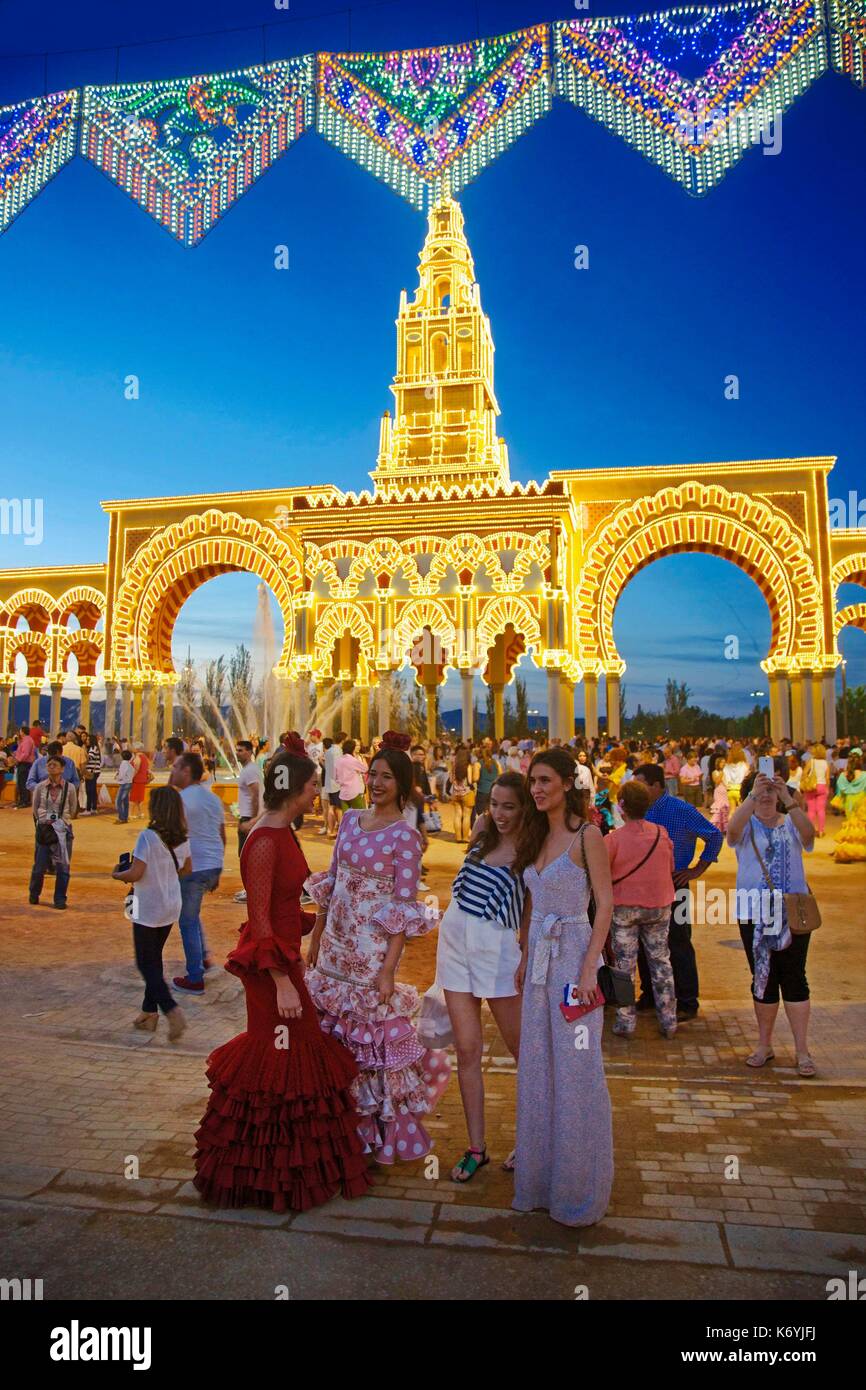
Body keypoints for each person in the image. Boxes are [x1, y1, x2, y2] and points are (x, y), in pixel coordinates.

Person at [194, 739, 371, 1212]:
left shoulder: (282, 832)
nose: (319, 791)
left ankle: (275, 1169)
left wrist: (320, 923)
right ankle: (272, 1173)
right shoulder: (265, 840)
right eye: (314, 784)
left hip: (284, 959)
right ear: (294, 788)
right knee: (282, 1059)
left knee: (288, 1061)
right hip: (270, 969)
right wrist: (281, 979)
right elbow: (261, 919)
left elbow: (284, 907)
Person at [304, 731, 451, 1163]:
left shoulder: (405, 837)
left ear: (402, 786)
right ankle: (331, 1127)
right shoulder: (350, 821)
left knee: (366, 1047)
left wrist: (388, 970)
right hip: (333, 948)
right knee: (330, 1033)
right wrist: (316, 933)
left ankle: (367, 1135)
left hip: (370, 956)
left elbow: (404, 912)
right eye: (376, 775)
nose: (379, 784)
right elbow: (331, 883)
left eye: (388, 777)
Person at [510, 747, 613, 1227]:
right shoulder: (534, 834)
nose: (537, 789)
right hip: (538, 971)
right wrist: (525, 955)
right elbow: (530, 906)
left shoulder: (588, 835)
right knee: (538, 1068)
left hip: (574, 960)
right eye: (533, 781)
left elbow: (606, 908)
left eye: (546, 780)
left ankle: (576, 1189)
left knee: (576, 1072)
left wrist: (590, 969)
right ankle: (540, 1183)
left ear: (568, 783)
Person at [436, 772, 528, 1181]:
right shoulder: (482, 836)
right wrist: (481, 829)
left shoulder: (532, 851)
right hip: (454, 951)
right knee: (467, 1052)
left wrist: (527, 955)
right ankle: (477, 1147)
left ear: (525, 807)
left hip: (501, 955)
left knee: (523, 1053)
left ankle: (530, 1141)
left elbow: (531, 913)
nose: (500, 813)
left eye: (509, 805)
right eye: (495, 804)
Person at [726, 769, 817, 1077]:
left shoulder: (791, 821)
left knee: (795, 977)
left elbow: (809, 836)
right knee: (762, 978)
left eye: (770, 789)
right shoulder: (747, 825)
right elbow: (731, 832)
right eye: (758, 789)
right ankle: (764, 1044)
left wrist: (791, 801)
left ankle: (802, 1049)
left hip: (793, 911)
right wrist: (753, 795)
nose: (766, 795)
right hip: (754, 913)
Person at [632, 762, 723, 1021]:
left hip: (676, 883)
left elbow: (714, 836)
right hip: (643, 887)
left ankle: (687, 1001)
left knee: (679, 942)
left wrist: (697, 869)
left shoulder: (681, 809)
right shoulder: (637, 810)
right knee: (643, 941)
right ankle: (649, 994)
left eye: (641, 784)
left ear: (657, 785)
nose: (636, 789)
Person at [112, 786, 192, 1041]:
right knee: (153, 958)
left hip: (148, 906)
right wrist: (165, 874)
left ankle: (171, 1009)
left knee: (145, 962)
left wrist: (117, 874)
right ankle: (149, 1013)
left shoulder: (147, 837)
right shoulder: (182, 838)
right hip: (170, 905)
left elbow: (135, 873)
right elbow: (186, 869)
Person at [606, 779, 676, 1038]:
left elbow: (602, 875)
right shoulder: (661, 833)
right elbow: (669, 867)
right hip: (659, 905)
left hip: (624, 907)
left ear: (622, 807)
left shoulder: (612, 840)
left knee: (624, 965)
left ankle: (626, 1021)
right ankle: (669, 1019)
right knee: (661, 962)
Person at [170, 752, 225, 994]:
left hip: (193, 866)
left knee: (187, 920)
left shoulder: (181, 799)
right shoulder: (212, 798)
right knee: (192, 913)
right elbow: (221, 834)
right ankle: (203, 956)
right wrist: (219, 869)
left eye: (175, 767)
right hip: (212, 864)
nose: (171, 772)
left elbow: (174, 836)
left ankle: (195, 978)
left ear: (186, 771)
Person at [29, 754, 77, 908]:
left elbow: (73, 809)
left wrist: (57, 820)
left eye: (55, 765)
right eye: (49, 764)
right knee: (39, 867)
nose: (51, 767)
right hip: (45, 830)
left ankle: (60, 898)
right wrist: (52, 819)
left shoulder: (69, 788)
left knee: (63, 868)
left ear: (62, 769)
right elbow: (36, 809)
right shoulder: (40, 787)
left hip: (63, 831)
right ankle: (34, 893)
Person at [233, 740, 264, 904]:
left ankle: (250, 890)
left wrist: (252, 820)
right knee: (246, 855)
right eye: (237, 750)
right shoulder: (249, 769)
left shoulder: (250, 771)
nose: (237, 753)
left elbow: (255, 794)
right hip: (247, 816)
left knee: (247, 856)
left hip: (248, 818)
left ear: (249, 752)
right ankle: (249, 888)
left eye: (241, 750)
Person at [801, 743, 831, 835]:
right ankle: (821, 830)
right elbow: (827, 778)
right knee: (821, 810)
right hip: (822, 786)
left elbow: (804, 773)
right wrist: (827, 789)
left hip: (811, 786)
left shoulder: (811, 761)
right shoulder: (826, 763)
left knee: (811, 810)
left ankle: (810, 830)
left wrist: (805, 782)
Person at [471, 739, 502, 829]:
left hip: (482, 792)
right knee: (492, 813)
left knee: (482, 814)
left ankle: (484, 831)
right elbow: (501, 775)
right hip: (494, 792)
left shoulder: (478, 764)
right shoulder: (496, 763)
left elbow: (475, 778)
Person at [319, 732, 345, 837]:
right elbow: (339, 768)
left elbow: (327, 766)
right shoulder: (339, 752)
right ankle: (340, 831)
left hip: (329, 782)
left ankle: (330, 830)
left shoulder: (329, 751)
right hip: (337, 783)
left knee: (331, 807)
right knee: (338, 808)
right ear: (343, 740)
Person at [334, 737, 367, 811]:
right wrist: (363, 758)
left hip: (343, 793)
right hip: (354, 792)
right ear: (352, 749)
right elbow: (365, 769)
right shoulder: (352, 760)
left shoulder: (338, 760)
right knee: (360, 814)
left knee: (346, 817)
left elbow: (335, 777)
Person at [834, 753, 866, 819]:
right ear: (860, 762)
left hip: (848, 801)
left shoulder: (843, 775)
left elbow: (839, 789)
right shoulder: (864, 775)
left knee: (850, 822)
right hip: (862, 802)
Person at [13, 724, 37, 808]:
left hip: (24, 763)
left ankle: (24, 801)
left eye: (20, 731)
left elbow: (25, 753)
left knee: (22, 782)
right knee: (21, 782)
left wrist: (18, 759)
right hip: (24, 763)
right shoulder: (26, 740)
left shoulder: (27, 741)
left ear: (22, 732)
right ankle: (23, 800)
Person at [723, 744, 749, 810]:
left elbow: (724, 778)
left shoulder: (727, 766)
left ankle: (731, 821)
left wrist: (727, 786)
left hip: (730, 789)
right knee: (742, 811)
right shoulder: (744, 765)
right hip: (740, 789)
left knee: (732, 810)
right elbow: (747, 776)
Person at [82, 733, 102, 814]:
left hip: (91, 772)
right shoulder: (95, 748)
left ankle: (88, 809)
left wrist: (83, 751)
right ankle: (93, 808)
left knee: (89, 790)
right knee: (92, 790)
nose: (86, 741)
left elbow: (89, 758)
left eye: (88, 739)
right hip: (94, 771)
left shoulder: (93, 748)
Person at [115, 749, 134, 823]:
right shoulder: (129, 764)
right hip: (129, 783)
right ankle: (125, 818)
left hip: (124, 784)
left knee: (118, 802)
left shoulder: (123, 763)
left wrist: (117, 777)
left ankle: (121, 818)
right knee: (125, 802)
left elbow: (121, 775)